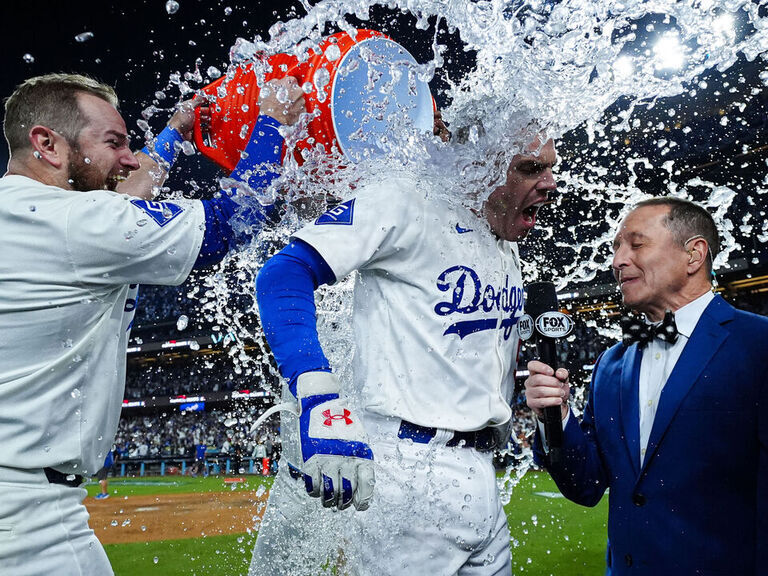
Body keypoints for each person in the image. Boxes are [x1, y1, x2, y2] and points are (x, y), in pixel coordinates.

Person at [0, 72, 305, 575]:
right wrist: (272, 122)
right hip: (30, 521)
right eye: (114, 142)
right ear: (47, 144)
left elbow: (124, 200)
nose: (127, 157)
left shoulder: (31, 213)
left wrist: (177, 132)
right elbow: (234, 218)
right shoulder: (77, 224)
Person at [251, 134, 557, 574]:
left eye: (550, 167)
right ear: (480, 166)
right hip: (408, 471)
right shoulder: (407, 201)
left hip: (482, 470)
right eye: (530, 168)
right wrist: (318, 395)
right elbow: (283, 275)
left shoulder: (503, 241)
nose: (550, 183)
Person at [525, 197, 768, 575]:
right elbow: (586, 484)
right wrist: (554, 416)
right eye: (616, 248)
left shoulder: (758, 345)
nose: (618, 260)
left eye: (636, 244)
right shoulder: (611, 364)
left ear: (694, 255)